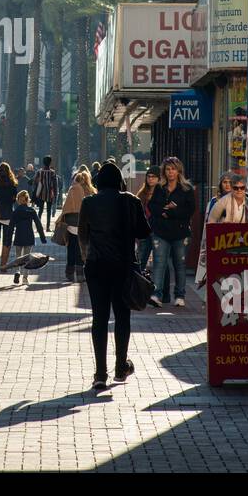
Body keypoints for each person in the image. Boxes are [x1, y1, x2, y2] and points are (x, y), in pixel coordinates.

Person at [77, 162, 151, 390]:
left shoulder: (88, 202)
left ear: (98, 181)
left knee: (99, 318)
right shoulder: (131, 201)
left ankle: (100, 373)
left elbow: (82, 234)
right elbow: (144, 232)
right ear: (119, 181)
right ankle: (121, 366)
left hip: (97, 266)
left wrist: (85, 259)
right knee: (122, 316)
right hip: (123, 266)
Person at [148, 156, 197, 308]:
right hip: (161, 231)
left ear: (179, 171)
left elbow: (190, 210)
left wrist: (172, 212)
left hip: (180, 233)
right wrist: (163, 211)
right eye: (168, 169)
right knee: (159, 263)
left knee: (180, 264)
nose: (170, 172)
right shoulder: (159, 187)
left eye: (173, 169)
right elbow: (152, 206)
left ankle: (180, 295)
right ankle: (157, 295)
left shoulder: (187, 188)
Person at [196, 173, 235, 291]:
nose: (227, 185)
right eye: (225, 182)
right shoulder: (214, 201)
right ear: (220, 184)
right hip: (217, 238)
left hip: (234, 238)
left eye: (230, 182)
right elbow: (209, 221)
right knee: (215, 269)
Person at [58, 168, 93, 283]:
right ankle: (80, 273)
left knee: (71, 248)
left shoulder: (73, 189)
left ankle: (69, 272)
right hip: (85, 225)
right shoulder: (91, 190)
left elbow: (66, 206)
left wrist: (61, 219)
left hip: (72, 224)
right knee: (82, 249)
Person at [8, 190, 47, 285]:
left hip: (19, 236)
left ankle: (17, 271)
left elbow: (11, 226)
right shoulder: (31, 211)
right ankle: (25, 278)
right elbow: (38, 225)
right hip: (29, 236)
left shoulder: (16, 212)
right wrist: (42, 237)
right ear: (27, 199)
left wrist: (8, 240)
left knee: (18, 257)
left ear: (18, 200)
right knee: (27, 258)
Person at [0, 162, 19, 271]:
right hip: (7, 214)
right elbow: (14, 199)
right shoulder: (12, 183)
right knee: (7, 240)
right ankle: (3, 264)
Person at [136, 167, 162, 272]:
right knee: (141, 260)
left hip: (159, 231)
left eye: (153, 177)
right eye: (148, 176)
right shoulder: (141, 194)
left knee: (160, 261)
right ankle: (139, 284)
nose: (150, 179)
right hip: (145, 231)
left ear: (159, 178)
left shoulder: (163, 193)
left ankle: (159, 286)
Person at [32, 155, 60, 227]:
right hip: (50, 194)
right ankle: (47, 227)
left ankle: (38, 226)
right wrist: (56, 194)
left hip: (40, 193)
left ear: (43, 162)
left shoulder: (39, 172)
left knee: (40, 210)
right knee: (48, 211)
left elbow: (34, 181)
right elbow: (55, 184)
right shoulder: (52, 172)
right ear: (50, 163)